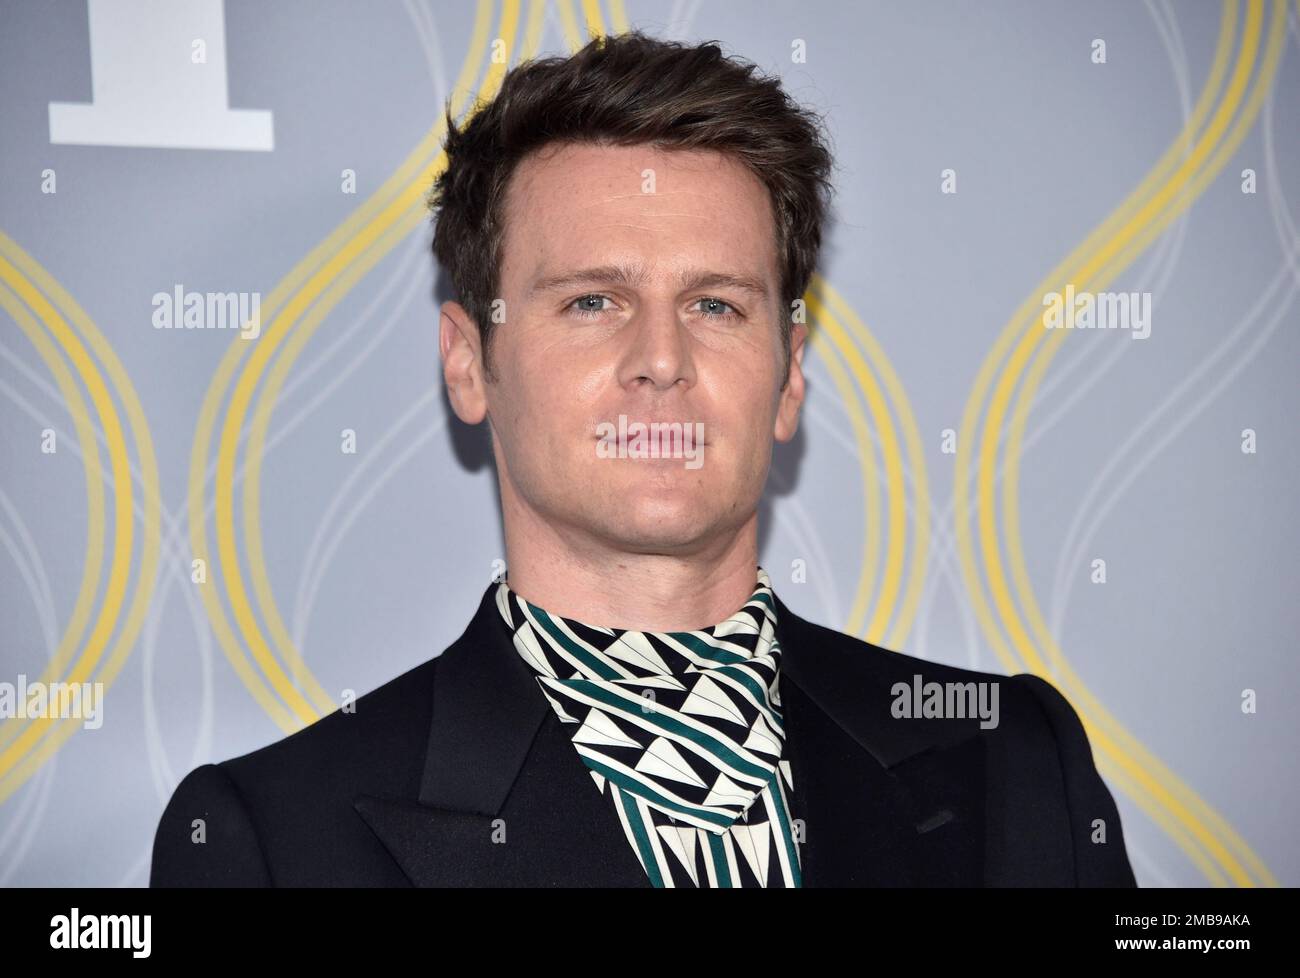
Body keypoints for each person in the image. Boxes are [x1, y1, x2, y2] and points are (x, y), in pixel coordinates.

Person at [150, 29, 1136, 888]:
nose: (661, 361)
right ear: (468, 362)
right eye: (591, 302)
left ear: (788, 375)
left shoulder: (1013, 766)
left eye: (716, 305)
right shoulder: (273, 840)